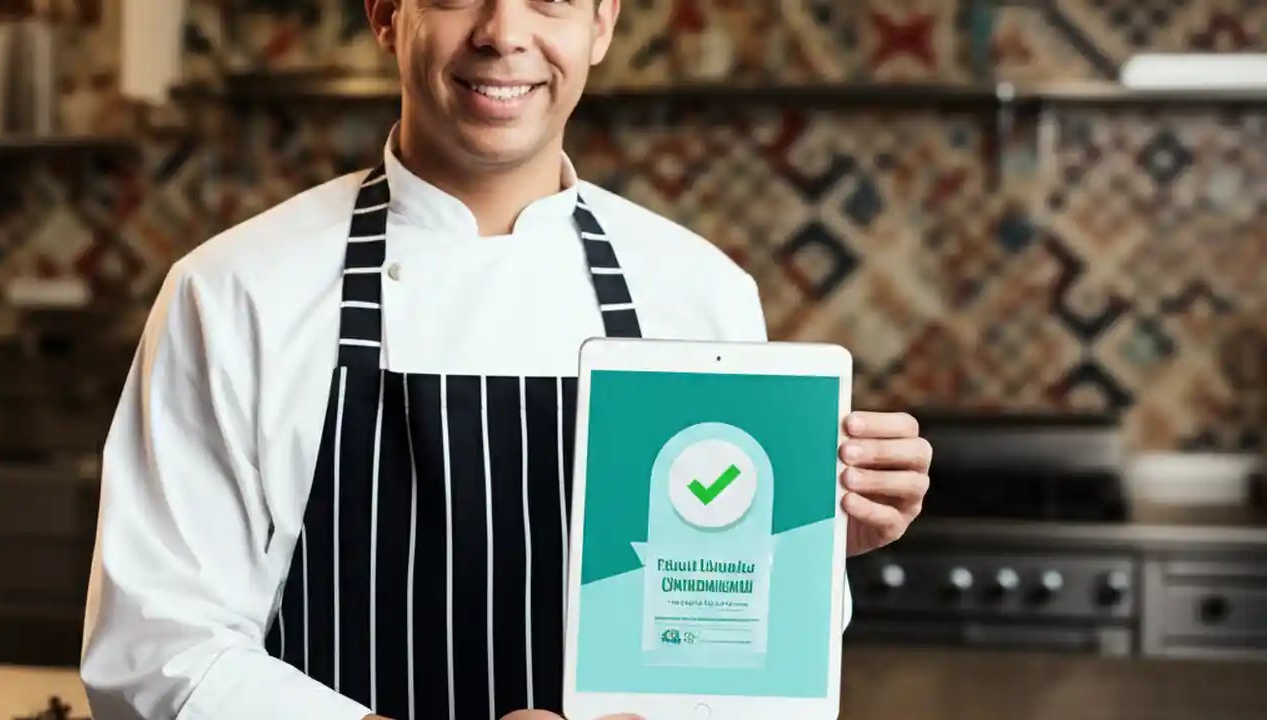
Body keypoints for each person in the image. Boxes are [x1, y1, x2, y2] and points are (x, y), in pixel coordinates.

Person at [79, 2, 933, 719]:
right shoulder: (235, 292)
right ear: (385, 13)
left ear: (602, 24)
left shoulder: (698, 290)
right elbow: (157, 651)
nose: (502, 31)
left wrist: (809, 554)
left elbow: (729, 670)